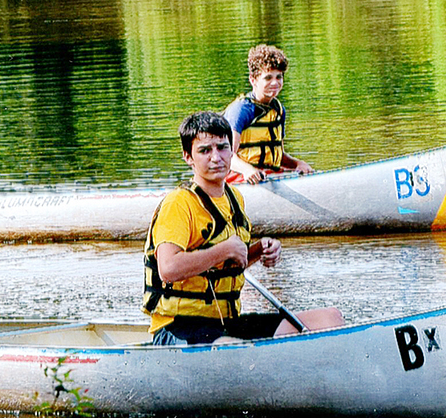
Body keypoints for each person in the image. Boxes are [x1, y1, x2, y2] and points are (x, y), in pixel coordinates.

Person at [143, 111, 342, 344]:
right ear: (188, 157)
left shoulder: (234, 198)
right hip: (178, 328)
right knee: (231, 346)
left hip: (225, 323)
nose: (216, 157)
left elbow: (225, 265)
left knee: (330, 318)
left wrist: (259, 250)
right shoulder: (179, 203)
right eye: (205, 151)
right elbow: (168, 269)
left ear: (232, 151)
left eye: (222, 148)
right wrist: (224, 250)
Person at [222, 44, 313, 184]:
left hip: (269, 174)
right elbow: (227, 155)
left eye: (279, 77)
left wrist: (297, 164)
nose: (275, 83)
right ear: (253, 80)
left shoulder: (278, 109)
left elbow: (278, 156)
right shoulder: (241, 110)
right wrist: (247, 170)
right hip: (241, 176)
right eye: (268, 78)